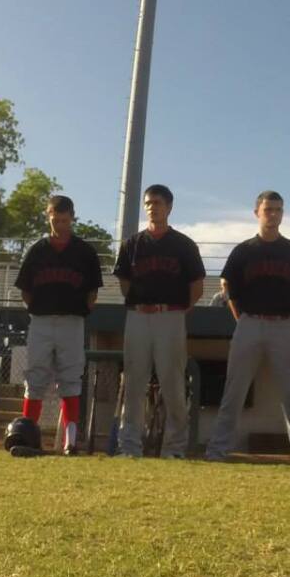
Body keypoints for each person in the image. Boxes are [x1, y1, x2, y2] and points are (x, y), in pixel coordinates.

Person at [204, 190, 290, 465]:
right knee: (234, 391)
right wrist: (244, 320)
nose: (273, 215)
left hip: (282, 325)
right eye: (268, 209)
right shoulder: (244, 250)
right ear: (257, 212)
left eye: (278, 210)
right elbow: (229, 290)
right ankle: (217, 450)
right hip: (249, 324)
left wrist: (278, 313)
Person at [114, 183, 207, 458]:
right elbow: (124, 282)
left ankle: (174, 448)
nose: (152, 207)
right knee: (133, 383)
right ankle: (129, 447)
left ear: (169, 207)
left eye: (157, 203)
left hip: (171, 315)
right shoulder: (132, 244)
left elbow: (197, 286)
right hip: (139, 316)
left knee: (173, 383)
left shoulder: (184, 245)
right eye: (148, 203)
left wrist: (178, 310)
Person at [14, 194, 104, 454]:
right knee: (36, 376)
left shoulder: (84, 252)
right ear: (48, 215)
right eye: (56, 218)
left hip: (72, 321)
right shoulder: (37, 250)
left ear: (72, 218)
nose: (60, 224)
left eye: (65, 219)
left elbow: (92, 293)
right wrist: (37, 310)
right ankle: (26, 435)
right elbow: (25, 290)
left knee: (71, 378)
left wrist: (79, 310)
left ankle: (71, 441)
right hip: (41, 319)